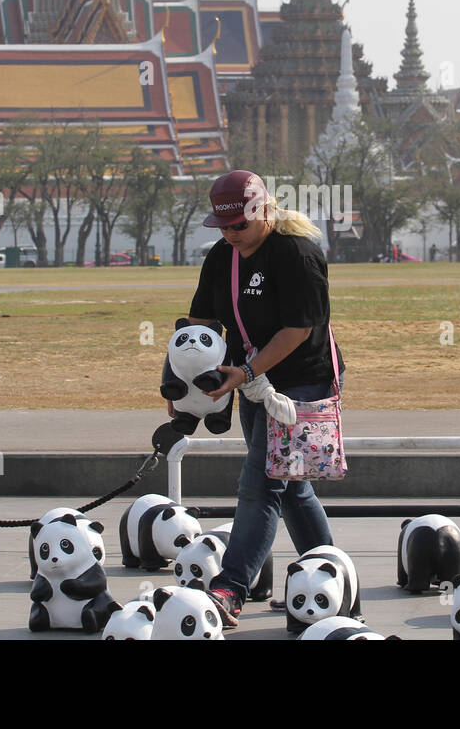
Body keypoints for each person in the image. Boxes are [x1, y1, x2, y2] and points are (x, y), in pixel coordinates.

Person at [173, 170, 344, 627]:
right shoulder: (222, 257)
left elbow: (299, 328)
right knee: (291, 487)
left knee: (263, 484)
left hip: (302, 381)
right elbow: (199, 326)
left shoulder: (298, 253)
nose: (231, 235)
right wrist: (184, 385)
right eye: (222, 227)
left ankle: (230, 588)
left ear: (264, 211)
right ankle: (329, 578)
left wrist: (248, 370)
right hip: (248, 381)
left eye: (239, 226)